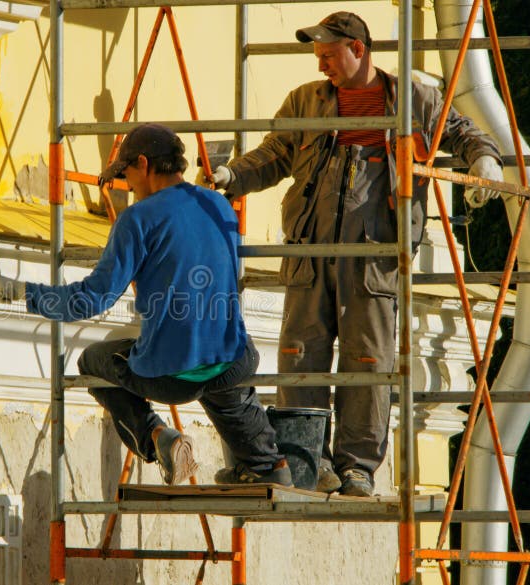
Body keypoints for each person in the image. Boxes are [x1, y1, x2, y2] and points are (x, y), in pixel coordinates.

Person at [201, 12, 503, 496]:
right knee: (302, 358)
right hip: (309, 250)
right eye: (318, 57)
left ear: (358, 49)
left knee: (369, 362)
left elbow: (465, 133)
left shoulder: (414, 98)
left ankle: (356, 468)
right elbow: (275, 154)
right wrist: (232, 176)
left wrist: (484, 158)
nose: (322, 66)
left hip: (374, 257)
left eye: (329, 56)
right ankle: (306, 458)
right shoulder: (306, 100)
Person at [0, 123, 292, 487]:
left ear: (143, 163)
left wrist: (20, 292)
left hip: (170, 376)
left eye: (126, 174)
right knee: (217, 367)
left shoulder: (137, 219)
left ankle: (160, 438)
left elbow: (90, 300)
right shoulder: (219, 205)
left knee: (92, 362)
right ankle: (268, 462)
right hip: (233, 360)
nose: (128, 184)